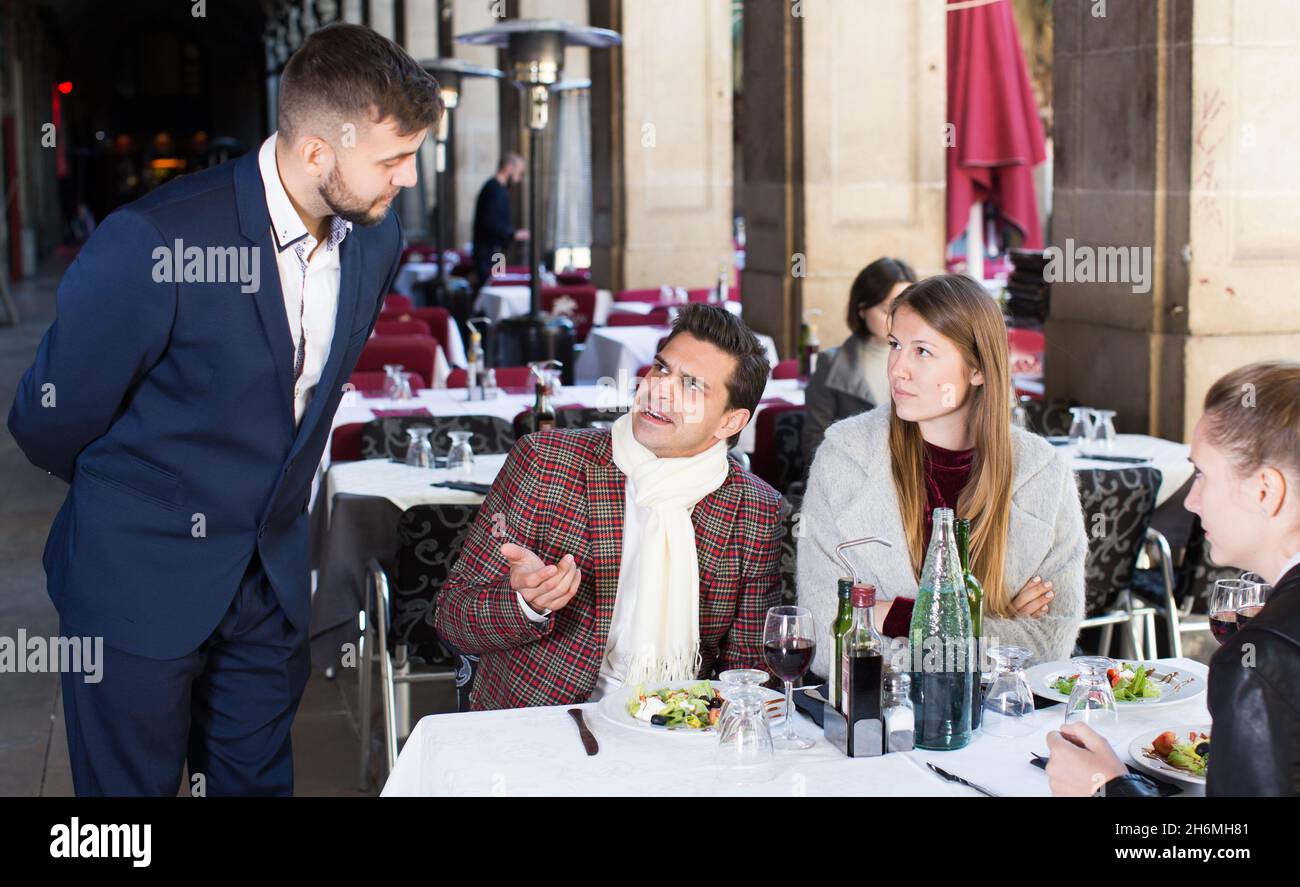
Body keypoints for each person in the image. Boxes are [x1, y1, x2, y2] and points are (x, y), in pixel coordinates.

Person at [7, 23, 441, 796]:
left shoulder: (377, 238)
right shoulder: (153, 240)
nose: (408, 178)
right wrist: (146, 495)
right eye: (392, 158)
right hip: (134, 580)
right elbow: (48, 419)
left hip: (267, 586)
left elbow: (302, 402)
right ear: (316, 152)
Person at [434, 305, 784, 709]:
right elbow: (451, 618)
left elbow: (749, 670)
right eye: (660, 369)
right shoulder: (546, 462)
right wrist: (526, 605)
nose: (659, 390)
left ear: (730, 422)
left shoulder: (756, 509)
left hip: (674, 734)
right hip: (544, 727)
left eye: (691, 385)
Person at [797, 274, 1086, 681]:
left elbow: (1048, 646)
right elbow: (828, 645)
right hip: (878, 725)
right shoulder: (844, 457)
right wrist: (988, 621)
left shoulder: (1043, 473)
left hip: (1005, 726)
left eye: (923, 351)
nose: (898, 368)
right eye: (896, 345)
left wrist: (891, 616)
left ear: (978, 370)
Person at [1047, 360, 1300, 797]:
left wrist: (1106, 788)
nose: (1192, 501)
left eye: (1201, 474)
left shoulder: (1262, 659)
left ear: (1266, 491)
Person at [802, 257, 916, 465]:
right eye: (886, 309)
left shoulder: (926, 360)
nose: (896, 319)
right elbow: (815, 442)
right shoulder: (831, 364)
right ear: (862, 309)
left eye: (905, 310)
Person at [471, 152, 529, 288]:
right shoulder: (493, 190)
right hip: (490, 253)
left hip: (496, 252)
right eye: (518, 173)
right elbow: (490, 223)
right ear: (508, 168)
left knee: (499, 283)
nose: (518, 179)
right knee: (493, 287)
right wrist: (513, 234)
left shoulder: (499, 189)